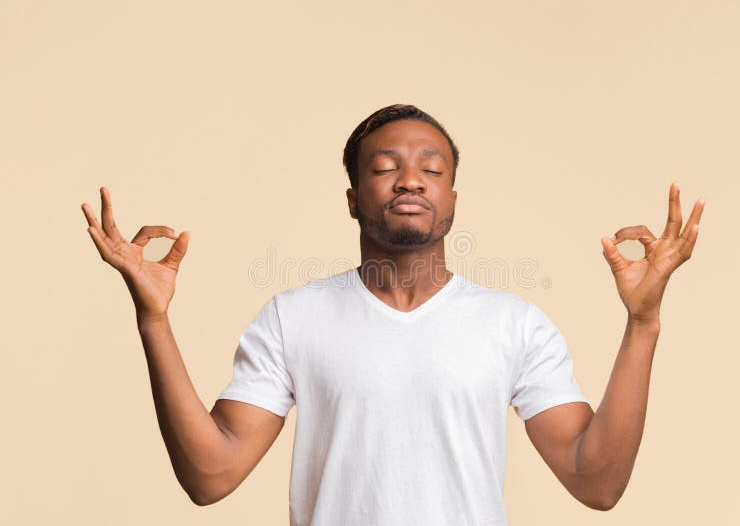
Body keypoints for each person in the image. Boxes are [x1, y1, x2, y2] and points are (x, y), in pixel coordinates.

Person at [80, 103, 705, 525]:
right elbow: (209, 477)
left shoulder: (515, 325)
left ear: (453, 200)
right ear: (353, 198)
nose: (411, 180)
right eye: (385, 168)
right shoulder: (292, 318)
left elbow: (595, 484)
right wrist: (154, 321)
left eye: (432, 170)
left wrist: (643, 323)